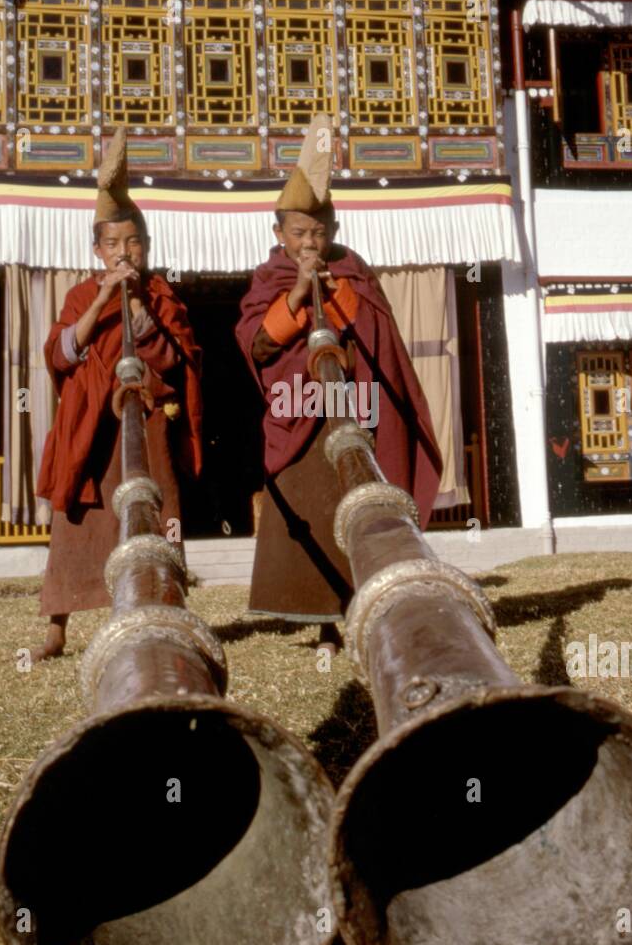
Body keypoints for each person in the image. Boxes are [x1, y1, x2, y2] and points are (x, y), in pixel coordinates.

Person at [235, 113, 442, 651]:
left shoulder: (351, 269)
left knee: (359, 507)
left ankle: (365, 608)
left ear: (336, 232)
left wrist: (338, 294)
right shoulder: (271, 278)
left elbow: (378, 335)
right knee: (315, 511)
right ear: (278, 234)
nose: (310, 242)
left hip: (355, 407)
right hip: (303, 411)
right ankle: (322, 621)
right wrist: (299, 297)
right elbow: (257, 344)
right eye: (299, 232)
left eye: (320, 232)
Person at [31, 125, 203, 662]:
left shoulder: (160, 295)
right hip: (92, 430)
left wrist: (141, 317)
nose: (124, 252)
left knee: (159, 515)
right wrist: (103, 298)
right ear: (97, 249)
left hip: (147, 426)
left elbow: (179, 359)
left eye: (133, 242)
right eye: (113, 244)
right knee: (77, 525)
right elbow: (60, 355)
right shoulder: (84, 292)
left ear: (146, 247)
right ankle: (57, 630)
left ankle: (166, 609)